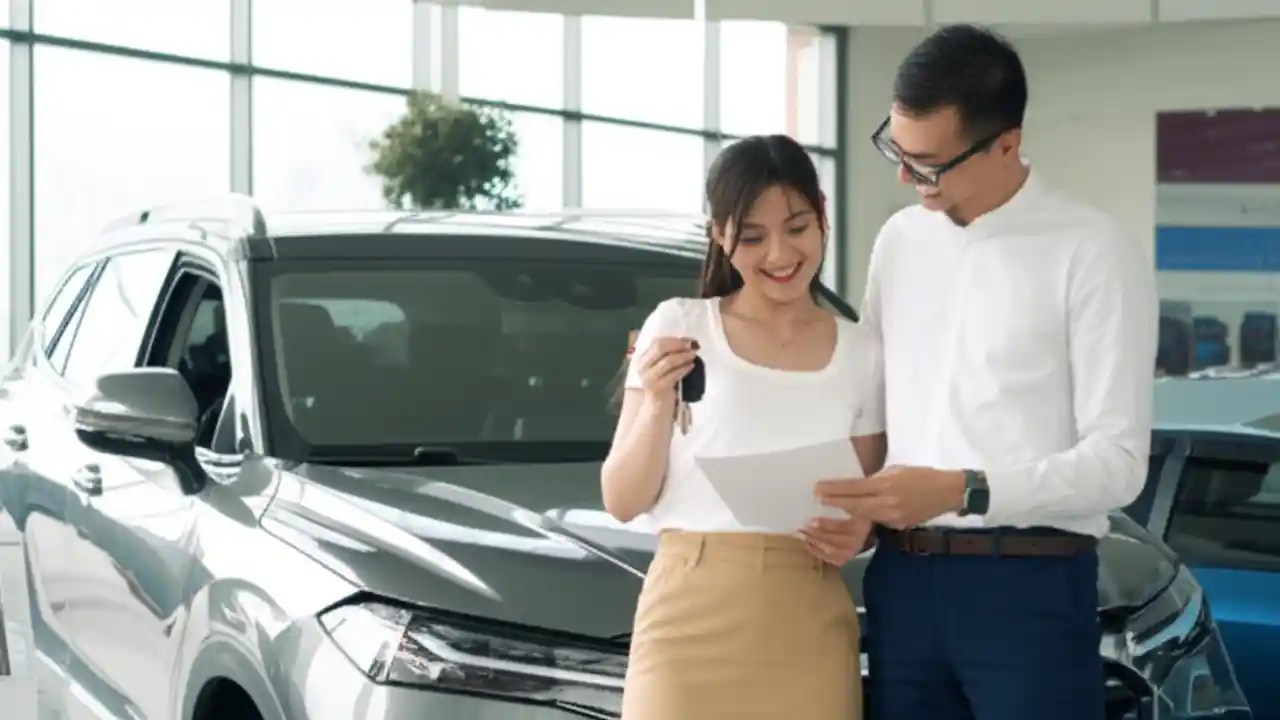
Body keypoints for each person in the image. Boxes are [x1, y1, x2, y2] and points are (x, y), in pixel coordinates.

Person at [806, 23, 1160, 720]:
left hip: (1026, 588)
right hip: (900, 583)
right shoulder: (900, 240)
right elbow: (870, 399)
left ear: (1006, 142)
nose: (908, 179)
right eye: (897, 153)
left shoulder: (1091, 250)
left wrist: (964, 490)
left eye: (929, 163)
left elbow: (1119, 464)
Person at [602, 134, 886, 720]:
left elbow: (869, 503)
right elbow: (623, 500)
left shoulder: (863, 353)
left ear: (823, 216)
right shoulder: (680, 325)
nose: (779, 254)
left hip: (808, 615)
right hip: (687, 612)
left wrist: (861, 529)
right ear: (719, 237)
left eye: (797, 227)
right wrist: (656, 400)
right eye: (751, 237)